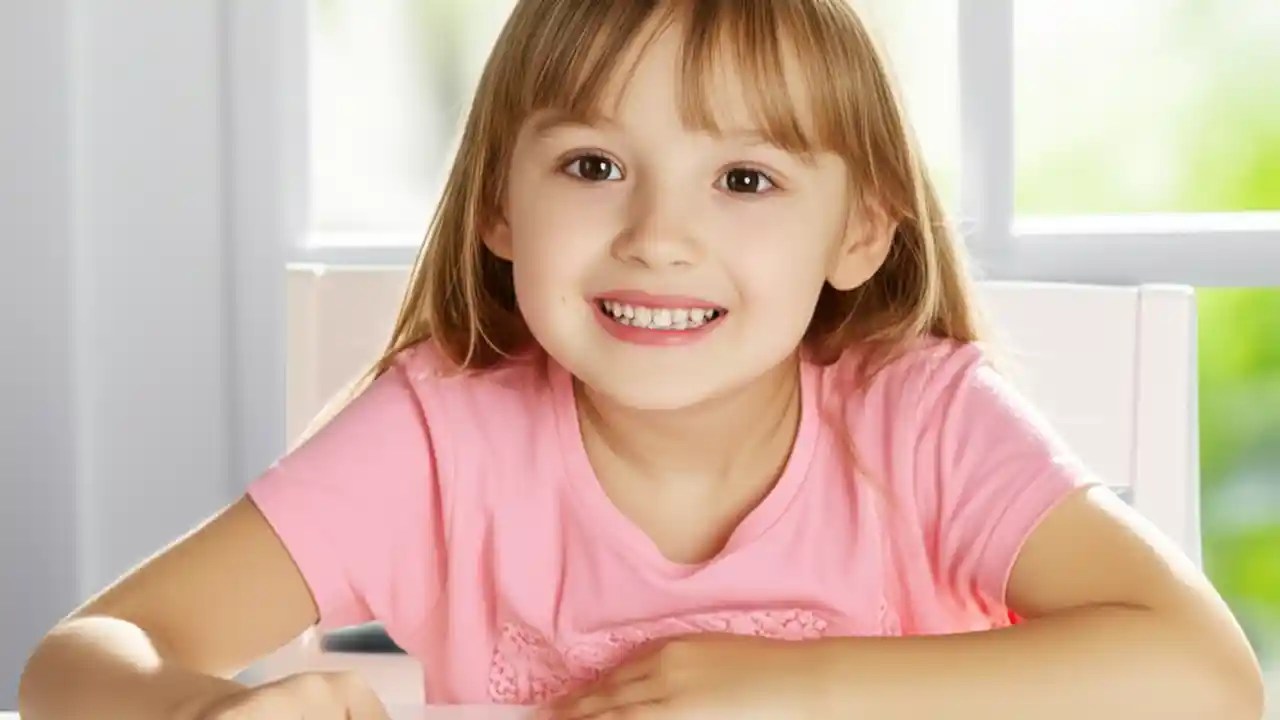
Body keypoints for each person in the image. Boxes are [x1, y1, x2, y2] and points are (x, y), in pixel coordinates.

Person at [19, 1, 1264, 718]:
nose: (658, 237)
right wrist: (208, 713)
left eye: (742, 179)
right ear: (499, 206)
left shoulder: (920, 421)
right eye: (592, 167)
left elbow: (1206, 678)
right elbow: (80, 659)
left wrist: (795, 689)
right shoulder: (442, 437)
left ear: (856, 232)